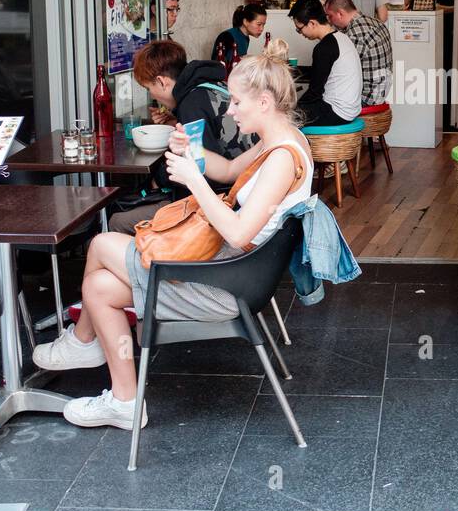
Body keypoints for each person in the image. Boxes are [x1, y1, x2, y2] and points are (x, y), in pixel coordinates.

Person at [32, 39, 314, 430]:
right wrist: (190, 152)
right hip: (229, 271)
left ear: (263, 102)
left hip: (225, 284)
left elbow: (237, 231)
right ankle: (123, 399)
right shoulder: (280, 142)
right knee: (97, 287)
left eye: (235, 102)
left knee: (100, 243)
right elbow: (230, 173)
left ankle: (83, 343)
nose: (229, 110)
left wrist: (194, 181)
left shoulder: (283, 158)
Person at [110, 40, 255, 234]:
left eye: (148, 88)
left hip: (221, 206)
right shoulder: (212, 84)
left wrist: (159, 179)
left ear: (162, 81)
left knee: (118, 220)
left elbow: (202, 169)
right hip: (244, 190)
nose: (151, 95)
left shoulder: (191, 104)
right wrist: (175, 120)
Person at [289, 0, 361, 127]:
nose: (300, 33)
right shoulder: (341, 38)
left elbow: (315, 92)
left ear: (312, 23)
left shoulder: (324, 48)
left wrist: (294, 108)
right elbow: (321, 72)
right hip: (351, 110)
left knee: (282, 117)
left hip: (336, 112)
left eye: (299, 29)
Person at [325, 0, 393, 106]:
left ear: (340, 13)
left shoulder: (355, 34)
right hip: (380, 91)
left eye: (330, 16)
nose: (329, 21)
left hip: (366, 98)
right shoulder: (375, 22)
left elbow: (341, 71)